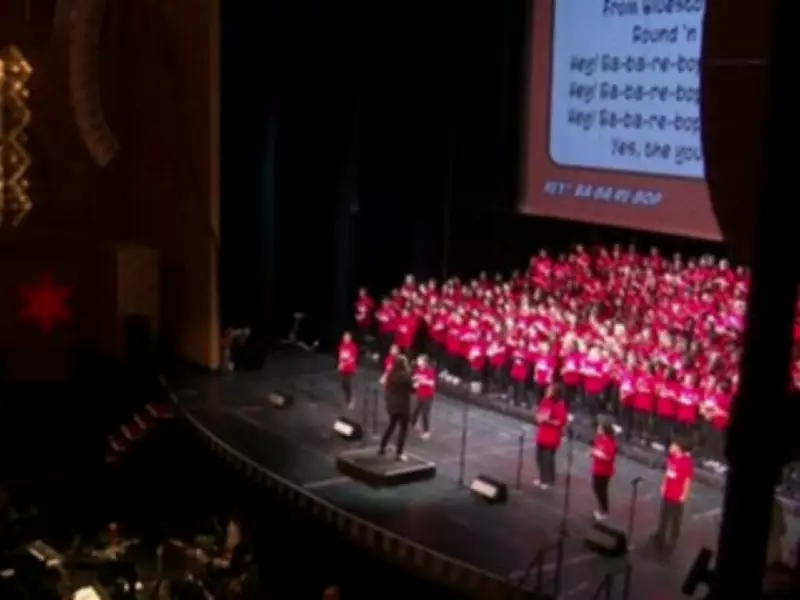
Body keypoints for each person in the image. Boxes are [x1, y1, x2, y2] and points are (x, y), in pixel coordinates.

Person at [653, 439, 694, 553]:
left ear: (679, 448)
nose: (670, 447)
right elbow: (667, 473)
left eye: (673, 445)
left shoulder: (686, 463)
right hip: (668, 492)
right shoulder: (671, 459)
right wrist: (664, 485)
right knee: (664, 516)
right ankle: (660, 536)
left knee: (675, 518)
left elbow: (687, 480)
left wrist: (684, 494)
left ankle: (672, 539)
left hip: (677, 495)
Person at [378, 354, 413, 460]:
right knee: (403, 429)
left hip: (393, 405)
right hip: (403, 407)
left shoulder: (391, 374)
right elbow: (412, 389)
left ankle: (382, 447)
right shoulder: (406, 376)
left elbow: (388, 388)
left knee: (391, 426)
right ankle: (399, 453)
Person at [534, 384, 568, 489]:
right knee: (539, 458)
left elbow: (560, 422)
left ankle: (548, 480)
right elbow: (539, 412)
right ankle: (542, 477)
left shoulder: (559, 405)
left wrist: (548, 421)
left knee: (548, 459)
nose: (546, 391)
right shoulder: (545, 401)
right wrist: (538, 417)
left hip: (552, 436)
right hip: (542, 433)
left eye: (549, 390)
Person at [590, 419, 618, 521]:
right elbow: (595, 448)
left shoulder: (610, 442)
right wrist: (593, 453)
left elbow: (609, 457)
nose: (597, 429)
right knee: (597, 488)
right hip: (597, 468)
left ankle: (604, 510)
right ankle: (601, 508)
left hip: (604, 471)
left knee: (601, 490)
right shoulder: (600, 439)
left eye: (599, 428)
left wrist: (599, 454)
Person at [411, 354, 436, 439]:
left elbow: (432, 383)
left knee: (425, 414)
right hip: (419, 394)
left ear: (424, 362)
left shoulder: (429, 370)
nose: (418, 362)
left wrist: (422, 380)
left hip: (428, 396)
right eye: (418, 360)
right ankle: (413, 424)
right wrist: (415, 382)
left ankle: (426, 432)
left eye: (419, 360)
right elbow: (415, 379)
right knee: (415, 410)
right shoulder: (418, 370)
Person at [337, 332, 358, 409]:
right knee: (343, 385)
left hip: (350, 369)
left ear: (350, 338)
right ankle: (348, 396)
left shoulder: (353, 347)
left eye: (348, 337)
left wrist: (343, 364)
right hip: (343, 369)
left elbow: (352, 359)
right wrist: (340, 364)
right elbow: (340, 356)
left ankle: (351, 400)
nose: (346, 338)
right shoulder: (341, 346)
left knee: (348, 384)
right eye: (345, 337)